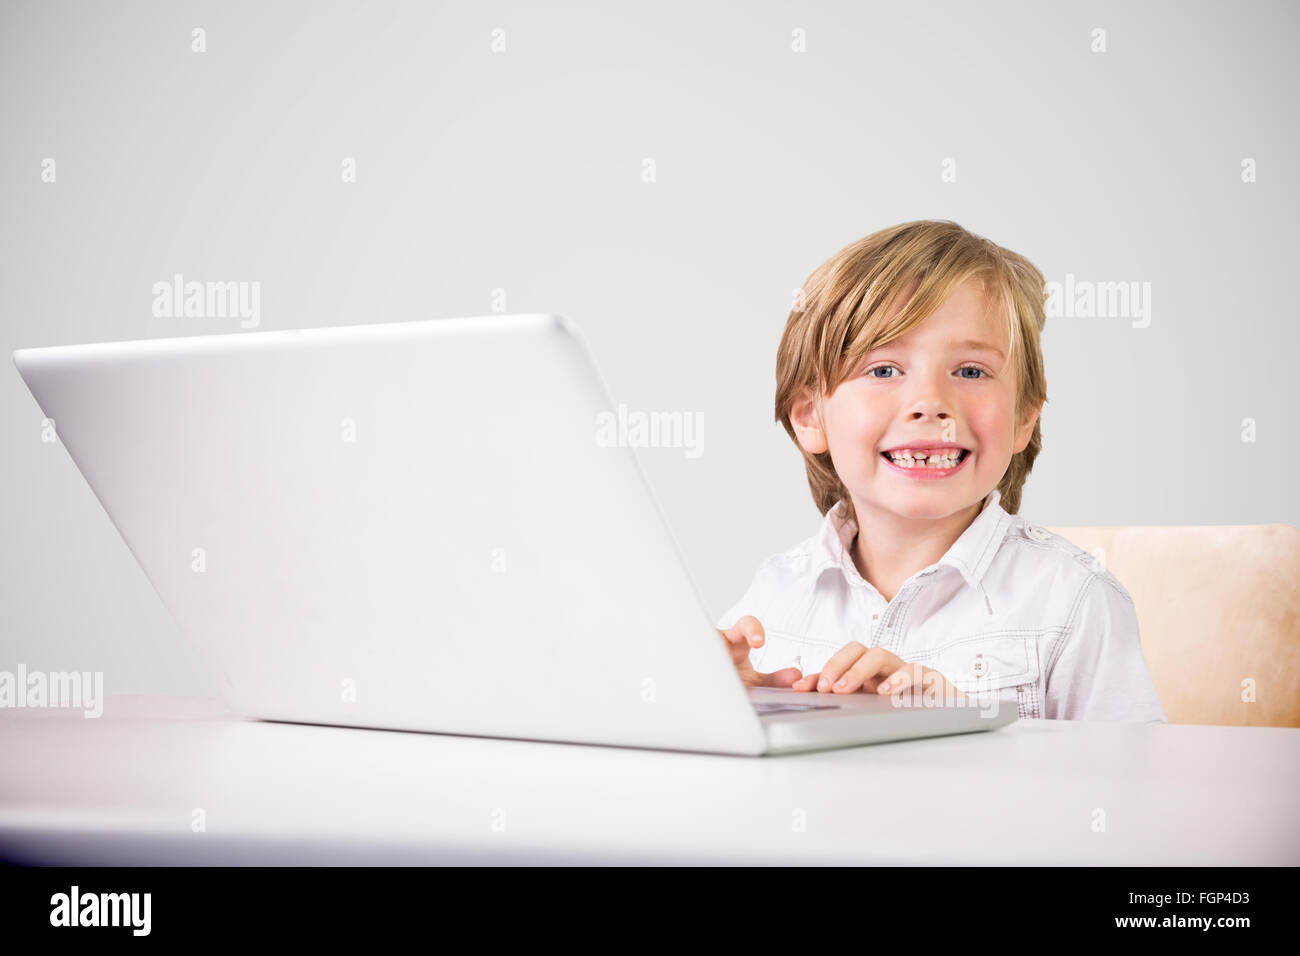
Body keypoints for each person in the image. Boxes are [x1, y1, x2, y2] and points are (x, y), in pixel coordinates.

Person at [717, 220, 1166, 722]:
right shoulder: (774, 595)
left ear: (1023, 418)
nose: (930, 404)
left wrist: (964, 729)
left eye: (971, 372)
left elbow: (1132, 788)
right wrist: (731, 707)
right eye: (883, 370)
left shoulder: (1074, 601)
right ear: (810, 417)